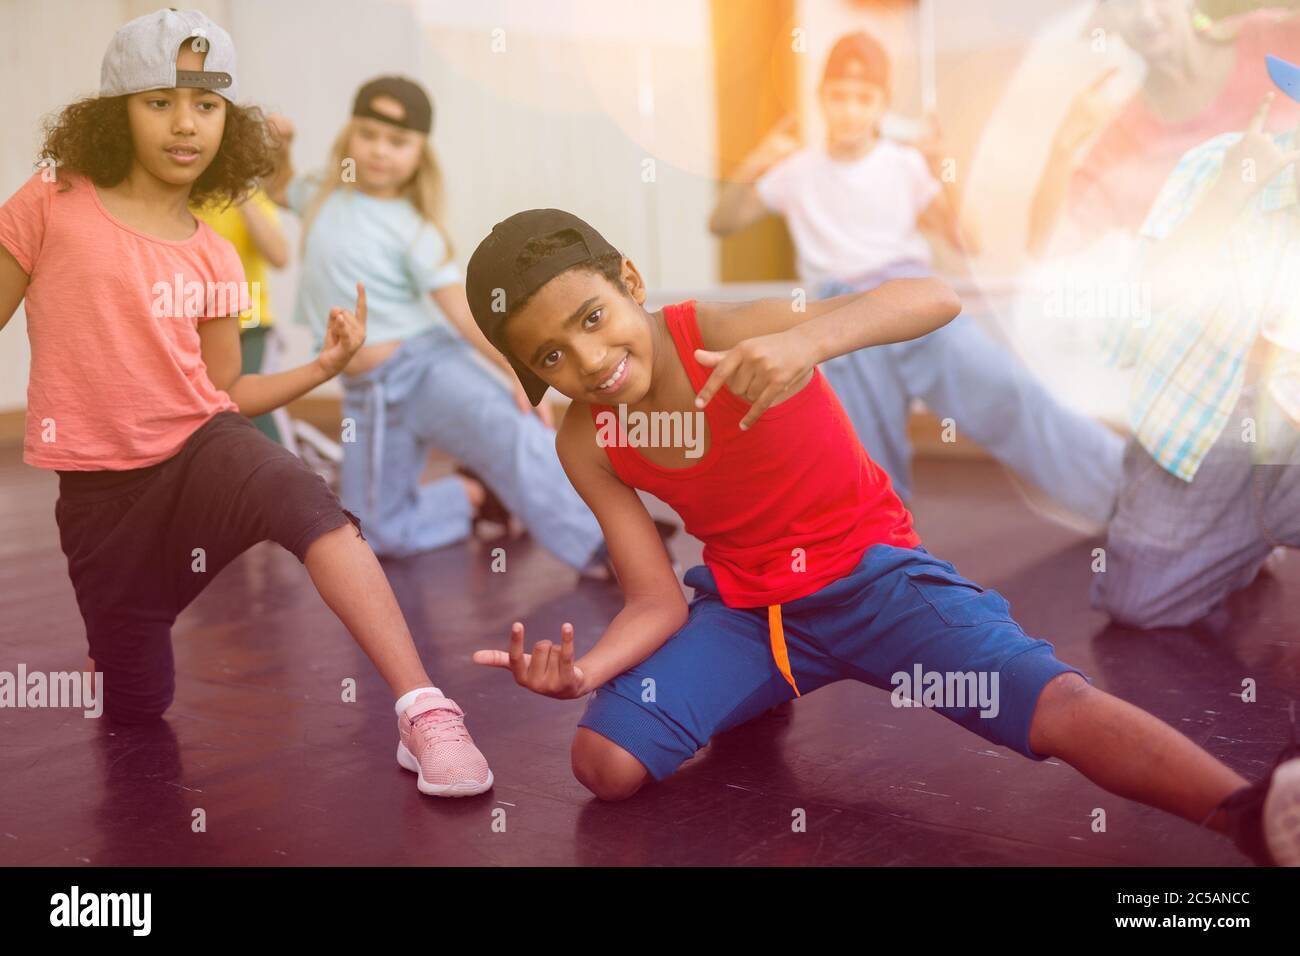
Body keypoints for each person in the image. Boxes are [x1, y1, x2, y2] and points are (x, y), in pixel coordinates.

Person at [462, 207, 1299, 864]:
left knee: (1056, 707)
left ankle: (1250, 814)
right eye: (551, 356)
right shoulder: (584, 438)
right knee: (603, 766)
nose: (588, 357)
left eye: (593, 316)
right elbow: (652, 597)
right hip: (757, 614)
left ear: (630, 280)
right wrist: (585, 674)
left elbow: (932, 297)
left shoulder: (717, 329)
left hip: (876, 584)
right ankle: (759, 688)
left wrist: (805, 340)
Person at [0, 8, 491, 797]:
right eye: (159, 101)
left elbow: (226, 391)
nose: (184, 124)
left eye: (205, 104)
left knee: (305, 495)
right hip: (99, 499)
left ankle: (424, 709)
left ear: (228, 122)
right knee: (136, 707)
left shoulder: (214, 250)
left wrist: (325, 365)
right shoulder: (52, 201)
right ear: (114, 111)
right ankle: (120, 639)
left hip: (202, 451)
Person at [709, 32, 1123, 528]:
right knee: (863, 451)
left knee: (1009, 391)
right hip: (841, 316)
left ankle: (1123, 490)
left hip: (912, 300)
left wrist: (942, 169)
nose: (850, 110)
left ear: (881, 106)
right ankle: (885, 552)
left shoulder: (904, 164)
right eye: (839, 96)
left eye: (864, 99)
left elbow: (967, 242)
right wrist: (756, 162)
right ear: (822, 100)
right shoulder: (796, 171)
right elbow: (722, 222)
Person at [263, 76, 616, 569]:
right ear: (349, 137)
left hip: (427, 368)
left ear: (419, 154)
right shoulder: (320, 193)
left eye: (398, 142)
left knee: (516, 438)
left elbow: (460, 311)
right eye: (369, 135)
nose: (380, 151)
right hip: (368, 396)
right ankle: (472, 496)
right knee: (376, 534)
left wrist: (518, 371)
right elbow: (275, 186)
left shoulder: (415, 228)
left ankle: (606, 543)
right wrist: (283, 145)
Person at [1091, 63, 1300, 632]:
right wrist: (1232, 189)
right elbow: (1142, 299)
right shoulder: (1217, 164)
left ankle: (1250, 535)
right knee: (1135, 605)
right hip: (1207, 429)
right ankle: (1236, 544)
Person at [193, 187, 288, 443]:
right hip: (194, 331)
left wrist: (242, 197)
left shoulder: (250, 196)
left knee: (254, 407)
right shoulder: (171, 201)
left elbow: (279, 256)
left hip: (252, 326)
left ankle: (292, 476)